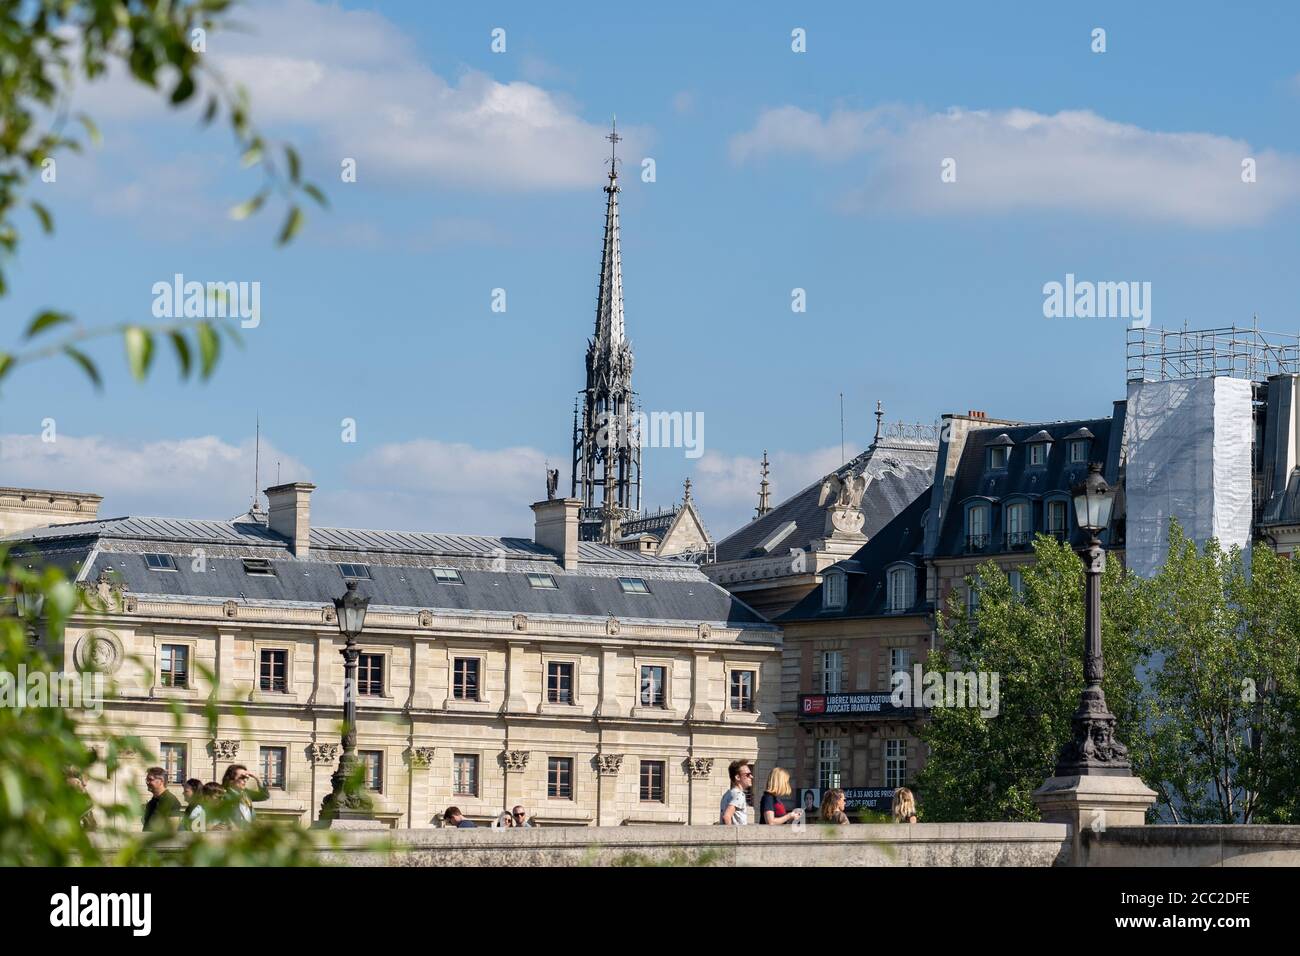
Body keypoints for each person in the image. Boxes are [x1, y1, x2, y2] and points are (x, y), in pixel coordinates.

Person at [221, 764, 269, 829]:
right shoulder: (223, 795)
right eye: (242, 777)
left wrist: (257, 778)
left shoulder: (246, 793)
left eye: (246, 778)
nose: (245, 780)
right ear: (230, 780)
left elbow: (264, 796)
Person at [142, 767, 181, 832]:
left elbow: (172, 832)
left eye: (150, 779)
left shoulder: (171, 801)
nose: (147, 782)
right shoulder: (152, 801)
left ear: (161, 781)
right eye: (147, 779)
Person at [719, 759, 752, 825]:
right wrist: (732, 834)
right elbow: (726, 816)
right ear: (737, 777)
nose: (751, 777)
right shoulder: (739, 795)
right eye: (747, 775)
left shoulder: (727, 794)